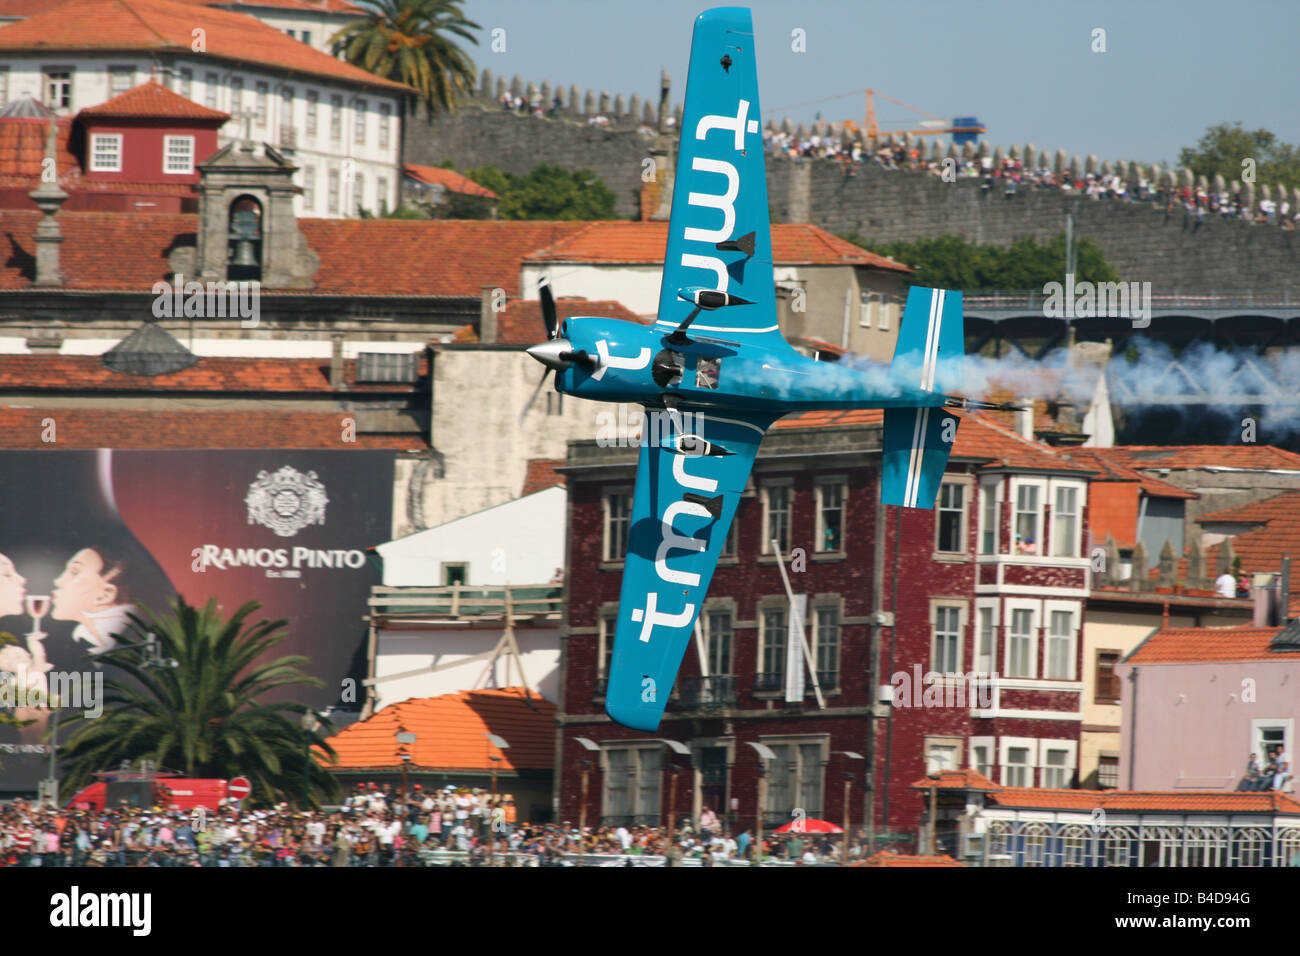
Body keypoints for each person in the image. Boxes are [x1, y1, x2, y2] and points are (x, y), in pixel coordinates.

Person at [50, 546, 136, 656]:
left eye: (74, 572)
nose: (57, 581)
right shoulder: (91, 640)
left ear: (105, 595)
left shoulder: (130, 638)